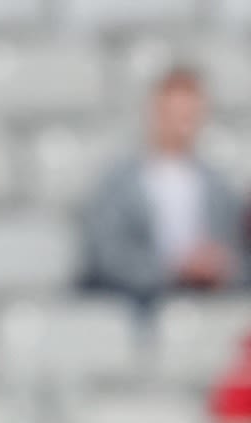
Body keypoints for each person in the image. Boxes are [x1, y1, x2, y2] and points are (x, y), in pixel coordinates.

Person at [78, 66, 247, 308]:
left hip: (208, 304)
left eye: (190, 116)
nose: (182, 125)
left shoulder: (219, 186)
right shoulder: (118, 183)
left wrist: (219, 266)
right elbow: (107, 257)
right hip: (140, 307)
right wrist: (174, 268)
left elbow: (236, 254)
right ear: (155, 113)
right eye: (173, 115)